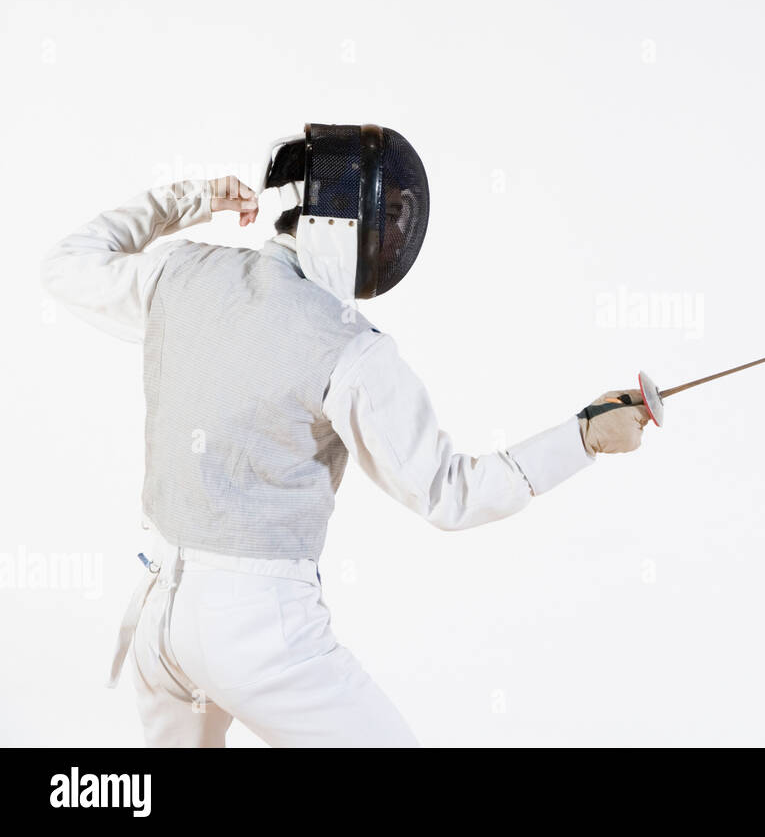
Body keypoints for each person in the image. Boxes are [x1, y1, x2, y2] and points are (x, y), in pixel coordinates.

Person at [40, 125, 650, 747]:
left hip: (159, 625)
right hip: (254, 629)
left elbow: (66, 265)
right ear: (343, 224)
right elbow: (450, 493)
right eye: (385, 219)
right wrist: (583, 439)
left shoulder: (183, 272)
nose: (393, 238)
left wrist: (192, 197)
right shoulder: (349, 349)